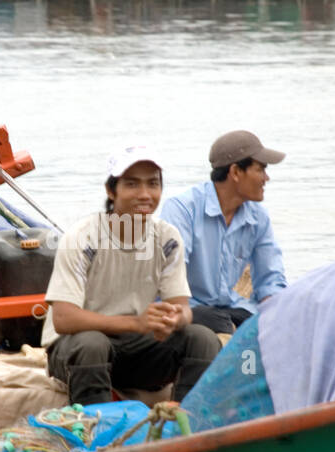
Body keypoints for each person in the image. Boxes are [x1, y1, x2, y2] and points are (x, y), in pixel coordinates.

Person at [41, 147, 221, 407]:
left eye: (153, 183)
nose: (145, 194)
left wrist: (174, 318)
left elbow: (183, 308)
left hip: (136, 351)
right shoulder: (83, 237)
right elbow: (64, 319)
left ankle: (183, 424)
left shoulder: (167, 238)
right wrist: (136, 323)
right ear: (111, 191)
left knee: (203, 339)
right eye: (132, 184)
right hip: (76, 349)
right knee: (92, 344)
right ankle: (98, 430)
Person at [161, 130, 287, 337]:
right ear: (236, 172)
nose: (267, 178)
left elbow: (270, 279)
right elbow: (171, 277)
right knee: (213, 331)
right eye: (261, 169)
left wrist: (276, 316)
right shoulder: (183, 210)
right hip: (186, 307)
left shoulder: (258, 218)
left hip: (229, 306)